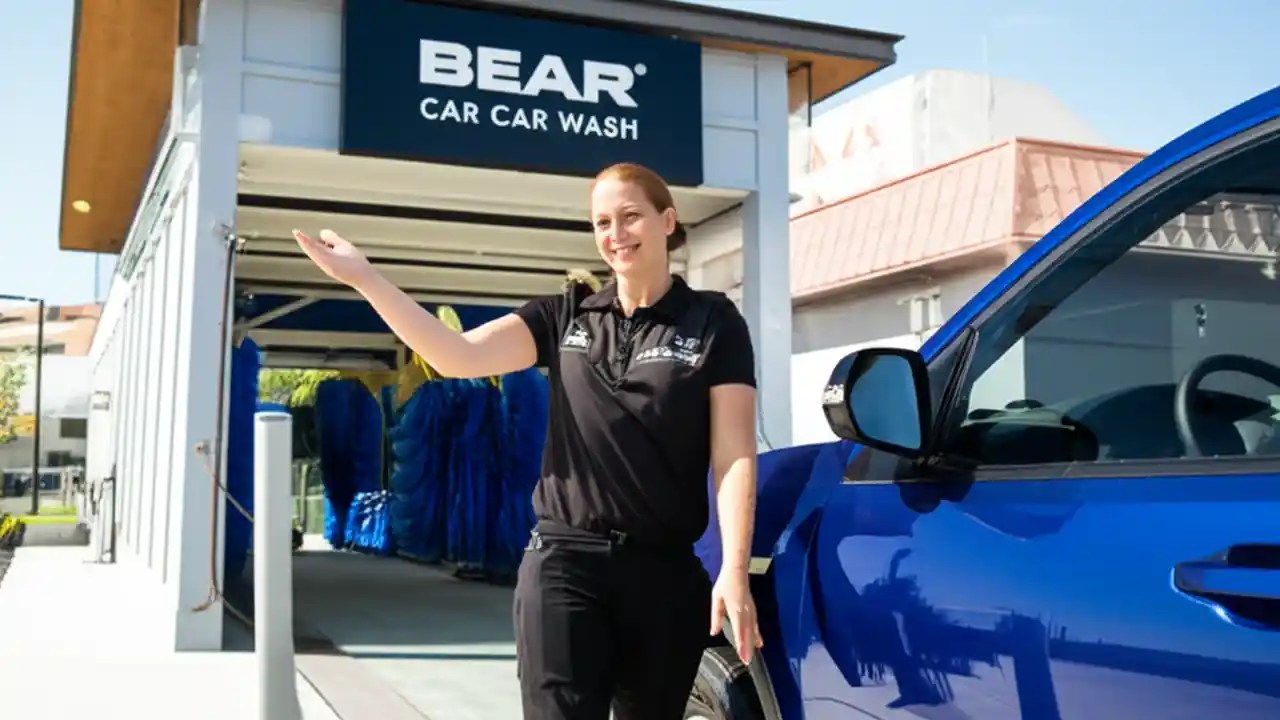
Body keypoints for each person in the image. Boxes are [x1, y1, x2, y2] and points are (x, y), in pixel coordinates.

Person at [292, 161, 763, 719]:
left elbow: (733, 453)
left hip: (663, 574)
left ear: (667, 220)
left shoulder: (713, 323)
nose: (616, 235)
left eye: (631, 217)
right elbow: (454, 355)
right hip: (566, 562)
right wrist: (365, 278)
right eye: (602, 223)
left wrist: (734, 568)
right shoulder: (564, 315)